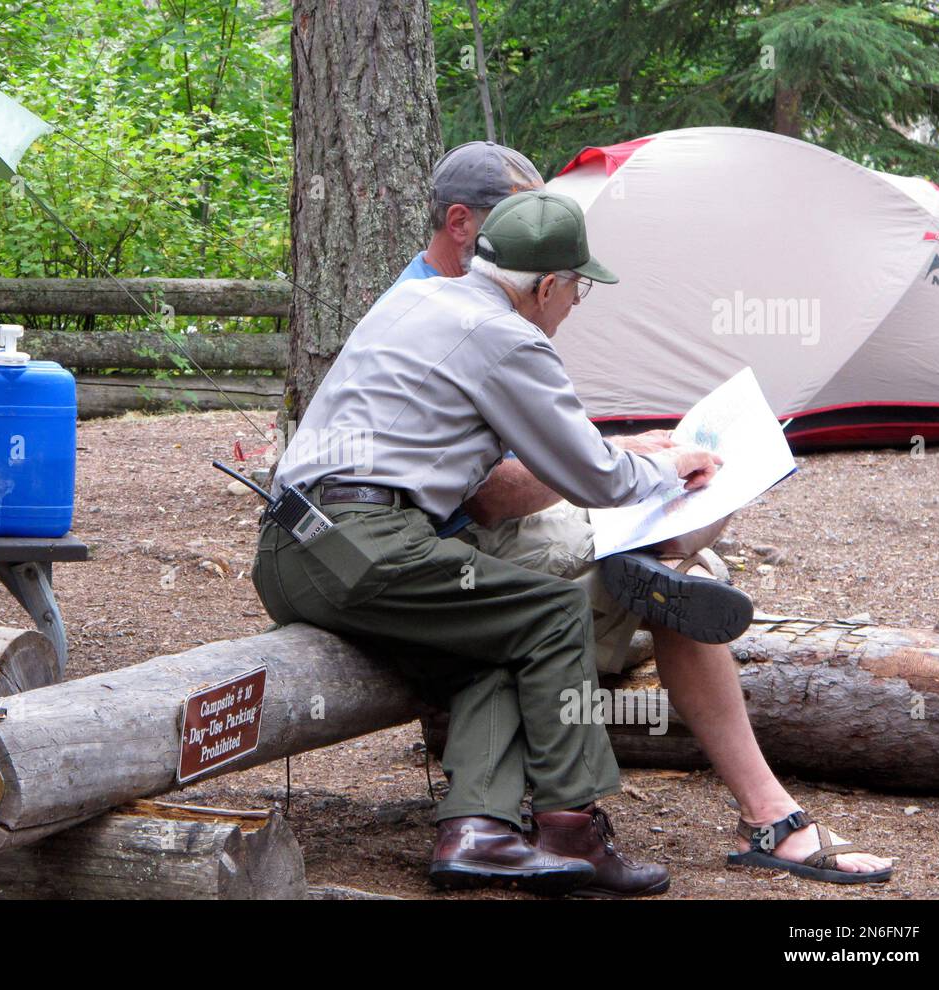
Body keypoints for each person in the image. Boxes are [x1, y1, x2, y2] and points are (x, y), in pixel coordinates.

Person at [394, 143, 894, 889]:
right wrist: (611, 465)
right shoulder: (440, 307)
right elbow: (490, 494)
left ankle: (646, 568)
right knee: (673, 563)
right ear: (463, 225)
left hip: (491, 541)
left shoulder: (479, 298)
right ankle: (767, 813)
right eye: (523, 220)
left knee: (675, 547)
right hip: (458, 560)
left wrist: (616, 459)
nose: (544, 235)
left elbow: (530, 448)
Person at [255, 189, 731, 897]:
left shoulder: (417, 301)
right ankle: (573, 829)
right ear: (546, 286)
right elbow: (594, 476)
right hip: (365, 543)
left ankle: (477, 832)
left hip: (288, 551)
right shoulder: (509, 336)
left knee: (488, 651)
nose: (574, 306)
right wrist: (669, 465)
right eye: (579, 289)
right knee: (552, 613)